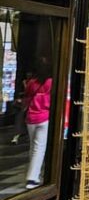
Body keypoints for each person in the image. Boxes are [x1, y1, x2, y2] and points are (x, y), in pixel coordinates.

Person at [24, 59, 53, 189]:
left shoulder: (31, 83)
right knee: (39, 148)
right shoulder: (50, 82)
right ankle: (32, 178)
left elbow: (27, 97)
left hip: (31, 117)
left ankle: (34, 173)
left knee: (33, 147)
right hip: (44, 117)